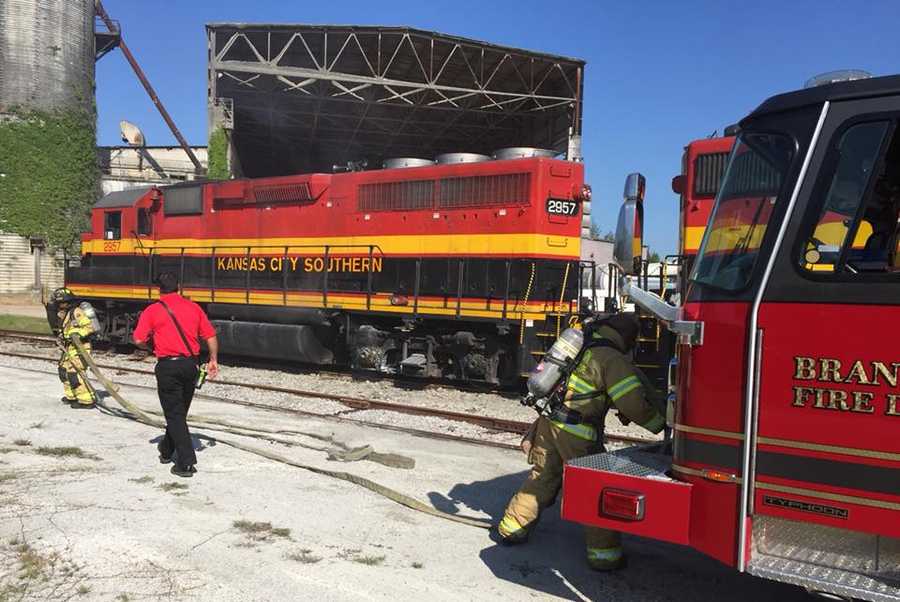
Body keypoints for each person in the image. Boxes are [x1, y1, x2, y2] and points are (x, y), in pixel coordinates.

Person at [497, 313, 665, 571]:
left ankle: (511, 529)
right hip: (577, 433)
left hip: (548, 422)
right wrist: (660, 424)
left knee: (543, 476)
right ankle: (604, 556)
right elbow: (633, 404)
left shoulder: (583, 342)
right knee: (593, 488)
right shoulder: (612, 359)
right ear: (628, 337)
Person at [133, 272, 219, 478]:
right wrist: (214, 359)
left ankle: (186, 462)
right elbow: (210, 335)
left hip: (168, 366)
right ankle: (166, 449)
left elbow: (138, 340)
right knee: (178, 412)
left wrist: (152, 346)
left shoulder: (152, 310)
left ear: (159, 289)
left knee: (174, 414)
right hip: (191, 365)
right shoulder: (194, 307)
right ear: (179, 286)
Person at [50, 288, 100, 409]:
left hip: (81, 347)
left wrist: (77, 333)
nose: (60, 305)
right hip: (70, 346)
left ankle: (86, 400)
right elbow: (65, 330)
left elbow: (90, 327)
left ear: (68, 302)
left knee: (75, 372)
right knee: (63, 370)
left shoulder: (77, 312)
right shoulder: (65, 314)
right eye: (59, 303)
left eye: (62, 303)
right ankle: (72, 396)